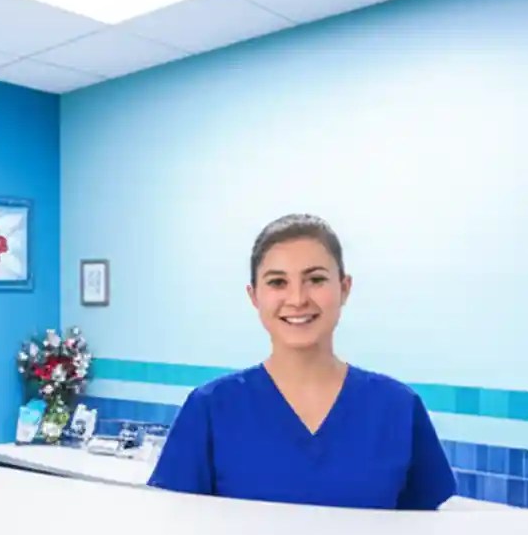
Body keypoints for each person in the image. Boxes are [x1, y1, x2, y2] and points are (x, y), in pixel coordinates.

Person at [147, 214, 455, 510]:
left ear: (344, 288)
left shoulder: (397, 408)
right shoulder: (211, 409)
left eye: (316, 279)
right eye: (277, 282)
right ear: (254, 296)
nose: (297, 299)